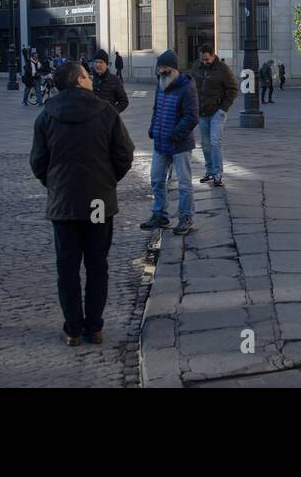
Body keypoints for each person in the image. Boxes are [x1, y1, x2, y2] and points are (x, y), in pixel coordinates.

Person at [30, 60, 134, 346]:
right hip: (98, 201)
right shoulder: (106, 112)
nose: (90, 80)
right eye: (87, 76)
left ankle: (73, 329)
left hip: (64, 203)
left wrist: (54, 185)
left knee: (67, 267)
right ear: (78, 81)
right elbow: (125, 154)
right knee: (97, 263)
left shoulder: (46, 115)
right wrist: (108, 180)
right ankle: (95, 328)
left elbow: (38, 162)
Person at [141, 51, 199, 236]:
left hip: (179, 144)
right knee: (156, 179)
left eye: (164, 67)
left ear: (173, 68)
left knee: (184, 183)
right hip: (160, 142)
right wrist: (153, 128)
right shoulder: (160, 84)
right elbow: (156, 109)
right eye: (159, 67)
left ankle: (186, 217)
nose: (160, 70)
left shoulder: (187, 88)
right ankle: (160, 215)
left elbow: (192, 117)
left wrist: (174, 135)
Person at [192, 43, 237, 187]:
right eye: (202, 60)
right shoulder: (196, 67)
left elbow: (233, 89)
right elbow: (193, 87)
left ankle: (218, 174)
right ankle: (209, 171)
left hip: (217, 112)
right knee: (205, 145)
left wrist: (223, 108)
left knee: (215, 142)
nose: (204, 62)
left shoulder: (223, 69)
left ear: (213, 55)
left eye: (207, 60)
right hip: (202, 112)